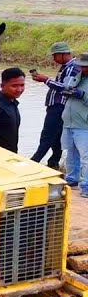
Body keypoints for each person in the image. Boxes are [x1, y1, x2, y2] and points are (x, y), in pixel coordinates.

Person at [31, 42, 79, 170]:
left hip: (59, 106)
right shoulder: (66, 66)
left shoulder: (71, 68)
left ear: (63, 54)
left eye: (55, 56)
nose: (54, 59)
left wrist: (46, 80)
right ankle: (53, 162)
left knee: (47, 135)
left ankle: (33, 162)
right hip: (56, 106)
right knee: (56, 136)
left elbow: (66, 88)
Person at [62, 54, 88, 196]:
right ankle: (72, 179)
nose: (83, 69)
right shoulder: (78, 77)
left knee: (86, 157)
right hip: (70, 122)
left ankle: (86, 186)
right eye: (81, 66)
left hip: (84, 124)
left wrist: (82, 95)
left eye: (85, 66)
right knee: (71, 153)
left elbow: (84, 97)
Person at [0, 68, 24, 153]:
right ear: (2, 86)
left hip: (10, 155)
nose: (19, 89)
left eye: (22, 85)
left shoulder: (12, 102)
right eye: (14, 86)